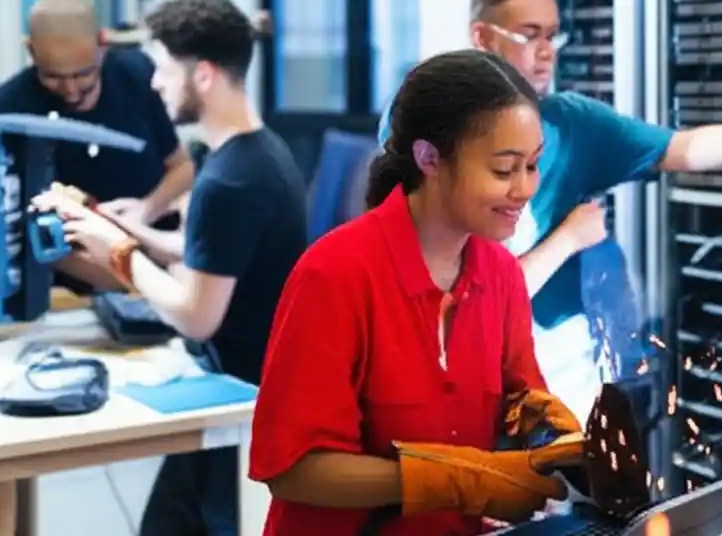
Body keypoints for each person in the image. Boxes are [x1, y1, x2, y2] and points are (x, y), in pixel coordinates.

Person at [383, 0, 722, 422]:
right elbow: (466, 303)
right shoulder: (427, 129)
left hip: (559, 364)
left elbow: (682, 148)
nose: (546, 52)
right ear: (484, 37)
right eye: (530, 35)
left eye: (553, 36)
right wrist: (568, 239)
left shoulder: (572, 124)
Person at [250, 50, 585, 536]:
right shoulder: (334, 274)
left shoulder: (501, 274)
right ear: (429, 158)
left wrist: (546, 431)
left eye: (532, 166)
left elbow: (518, 398)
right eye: (503, 170)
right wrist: (459, 480)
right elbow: (294, 471)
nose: (524, 189)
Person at [34, 0, 308, 535]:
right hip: (245, 393)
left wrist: (115, 251)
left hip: (242, 407)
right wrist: (127, 228)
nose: (155, 83)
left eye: (163, 69)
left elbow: (196, 315)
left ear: (202, 75)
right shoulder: (258, 153)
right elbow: (215, 253)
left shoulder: (228, 181)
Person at [0, 0, 194, 291]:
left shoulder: (138, 76)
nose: (71, 90)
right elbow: (7, 229)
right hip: (67, 285)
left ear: (103, 45)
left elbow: (182, 168)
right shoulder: (6, 112)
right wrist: (131, 278)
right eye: (53, 77)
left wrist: (145, 211)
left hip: (158, 264)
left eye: (84, 75)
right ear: (31, 51)